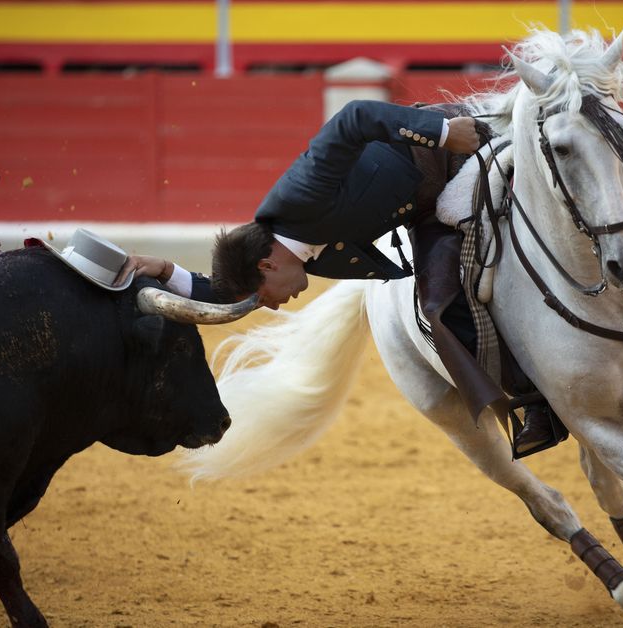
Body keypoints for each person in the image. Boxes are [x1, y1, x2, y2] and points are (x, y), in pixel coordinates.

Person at [114, 99, 569, 458]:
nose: (274, 305)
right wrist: (166, 270)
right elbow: (222, 294)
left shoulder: (297, 198)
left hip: (450, 155)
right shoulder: (283, 257)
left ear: (267, 266)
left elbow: (355, 117)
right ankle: (537, 405)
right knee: (437, 311)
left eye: (265, 298)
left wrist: (444, 133)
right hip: (429, 210)